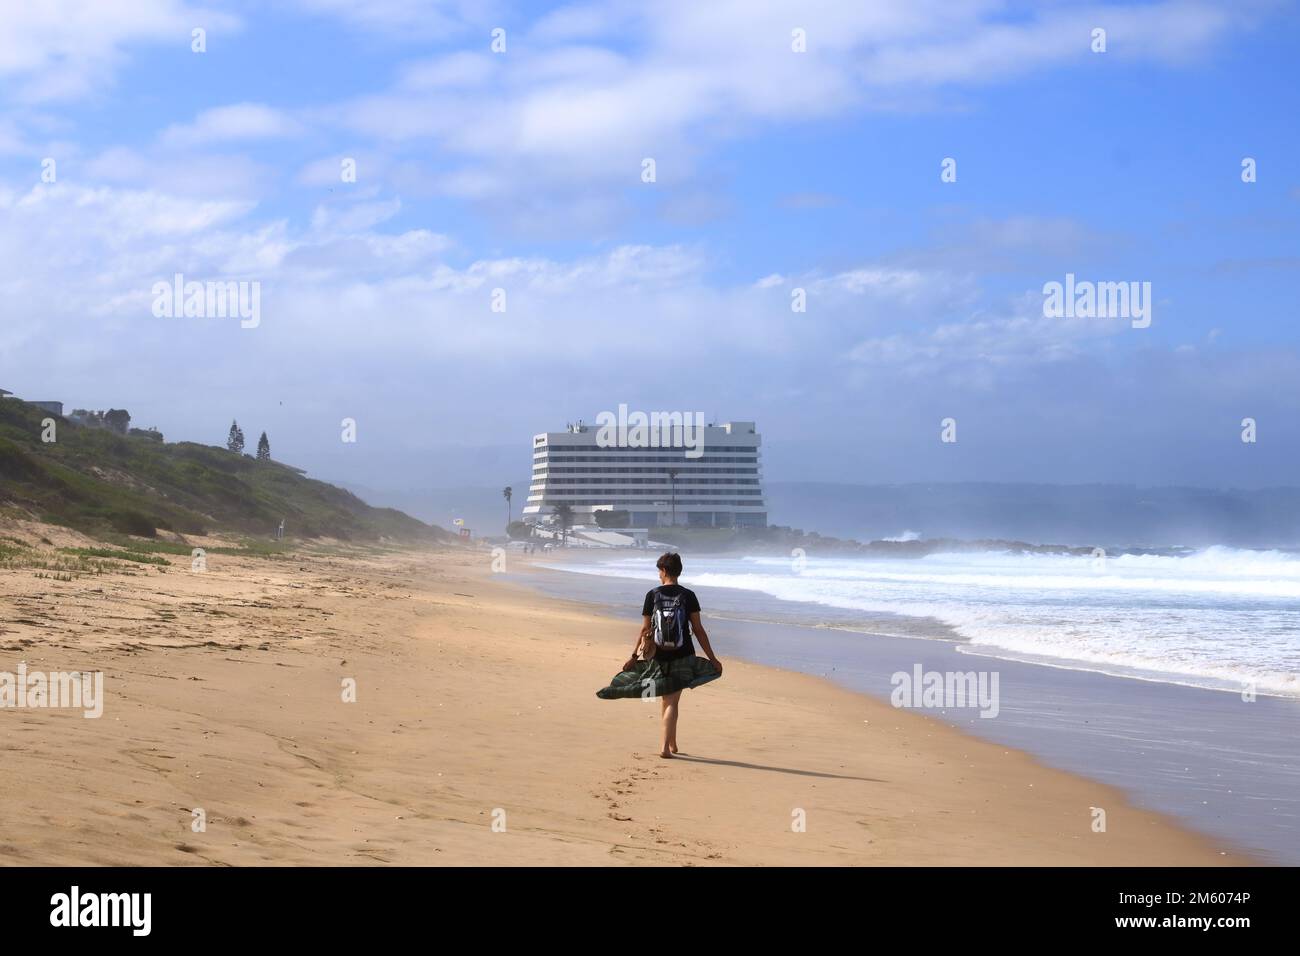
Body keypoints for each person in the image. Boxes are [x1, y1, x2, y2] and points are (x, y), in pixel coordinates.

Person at [595, 552, 723, 758]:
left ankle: (671, 744)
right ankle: (666, 747)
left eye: (659, 571)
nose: (658, 575)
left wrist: (633, 656)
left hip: (657, 657)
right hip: (683, 655)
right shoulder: (688, 595)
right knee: (672, 701)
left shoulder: (652, 595)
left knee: (665, 699)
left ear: (663, 571)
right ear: (678, 571)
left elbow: (645, 630)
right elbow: (698, 630)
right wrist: (713, 658)